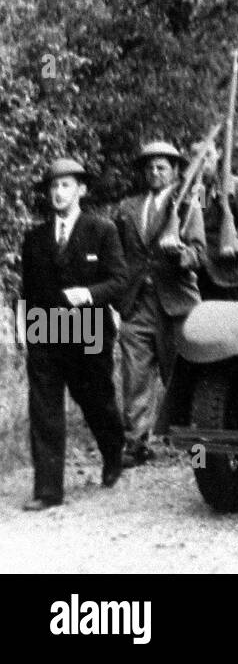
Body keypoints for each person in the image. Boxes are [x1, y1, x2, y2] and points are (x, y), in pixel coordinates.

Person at [14, 159, 129, 510]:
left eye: (65, 186)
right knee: (44, 407)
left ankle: (113, 452)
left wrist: (90, 294)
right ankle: (48, 490)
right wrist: (22, 327)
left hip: (88, 327)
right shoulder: (34, 238)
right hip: (45, 328)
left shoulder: (102, 230)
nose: (58, 193)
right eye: (53, 187)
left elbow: (120, 280)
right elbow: (26, 290)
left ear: (81, 190)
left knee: (96, 401)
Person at [114, 141, 204, 466]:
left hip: (176, 302)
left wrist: (180, 253)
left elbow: (199, 253)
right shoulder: (128, 208)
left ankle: (193, 445)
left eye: (162, 167)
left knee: (179, 374)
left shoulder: (188, 206)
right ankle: (136, 443)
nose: (155, 172)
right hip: (137, 302)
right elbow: (119, 254)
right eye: (150, 167)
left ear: (175, 171)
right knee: (134, 374)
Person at [191, 138, 238, 302]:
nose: (202, 161)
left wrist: (236, 246)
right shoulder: (196, 189)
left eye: (207, 155)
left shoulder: (235, 187)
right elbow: (198, 221)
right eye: (196, 156)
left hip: (226, 277)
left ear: (218, 154)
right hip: (197, 276)